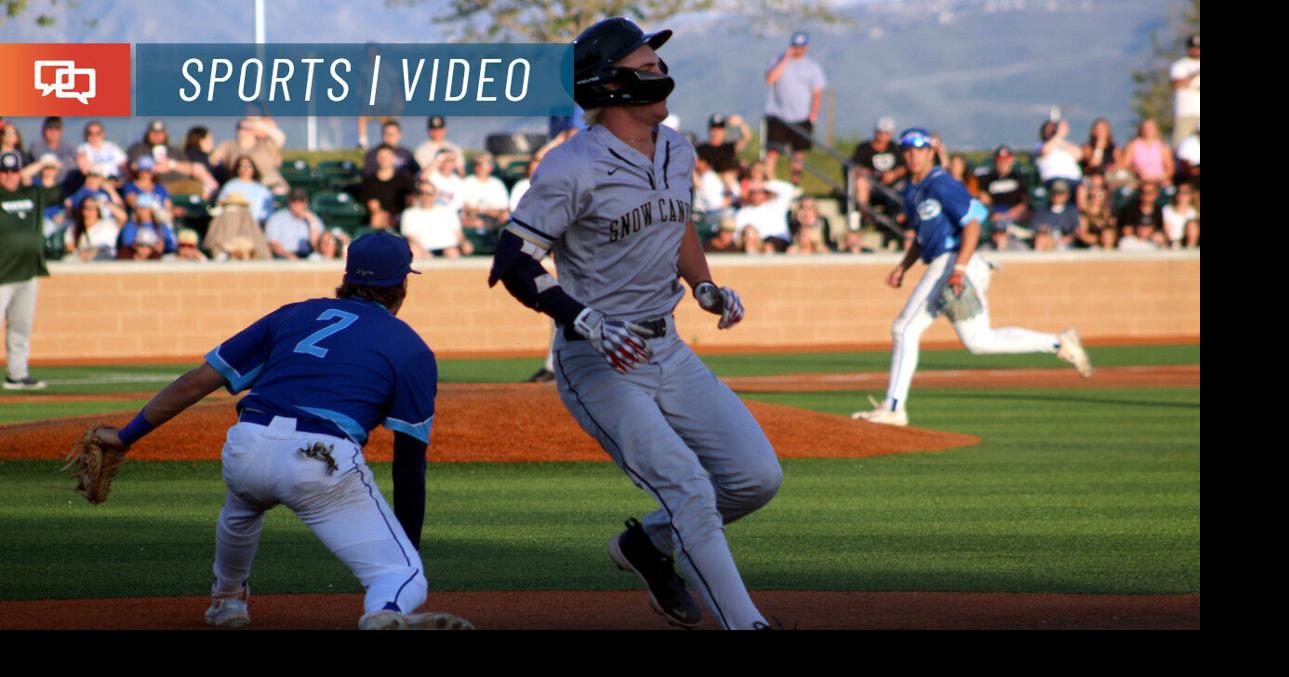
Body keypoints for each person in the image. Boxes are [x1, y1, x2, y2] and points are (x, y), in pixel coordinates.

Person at [488, 17, 781, 630]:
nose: (661, 75)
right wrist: (583, 319)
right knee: (692, 492)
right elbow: (511, 262)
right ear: (609, 85)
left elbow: (677, 222)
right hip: (600, 360)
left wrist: (702, 284)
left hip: (667, 347)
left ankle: (647, 547)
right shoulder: (571, 166)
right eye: (646, 68)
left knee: (755, 478)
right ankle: (746, 624)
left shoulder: (677, 147)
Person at [79, 231, 471, 631]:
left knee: (243, 505)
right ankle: (384, 613)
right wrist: (406, 552)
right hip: (321, 459)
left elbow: (196, 382)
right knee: (401, 573)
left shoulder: (293, 314)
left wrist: (126, 435)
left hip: (247, 443)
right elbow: (408, 464)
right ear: (402, 285)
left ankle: (227, 602)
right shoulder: (411, 348)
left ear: (347, 276)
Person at [850, 129, 1092, 427]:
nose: (914, 154)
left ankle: (894, 407)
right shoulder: (913, 190)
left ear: (931, 151)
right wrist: (903, 267)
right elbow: (921, 237)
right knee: (979, 341)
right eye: (908, 150)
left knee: (903, 329)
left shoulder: (942, 184)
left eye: (920, 148)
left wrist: (960, 268)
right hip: (949, 261)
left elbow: (973, 225)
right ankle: (1058, 343)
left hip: (954, 260)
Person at [0, 150, 50, 390]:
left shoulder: (32, 194)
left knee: (21, 326)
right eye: (4, 171)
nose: (9, 176)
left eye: (14, 171)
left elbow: (54, 188)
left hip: (27, 273)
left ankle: (17, 375)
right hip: (1, 275)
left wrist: (41, 164)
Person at [763, 30, 826, 181]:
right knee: (772, 152)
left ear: (807, 47)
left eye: (801, 46)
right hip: (778, 115)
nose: (798, 49)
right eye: (795, 46)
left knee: (798, 154)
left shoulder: (812, 67)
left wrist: (813, 114)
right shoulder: (778, 60)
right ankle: (769, 182)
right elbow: (770, 79)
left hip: (802, 116)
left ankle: (795, 184)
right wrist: (786, 58)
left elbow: (817, 93)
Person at [210, 118, 288, 194]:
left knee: (278, 191)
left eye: (248, 129)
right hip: (241, 186)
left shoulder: (265, 144)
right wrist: (215, 160)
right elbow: (213, 158)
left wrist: (263, 127)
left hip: (269, 185)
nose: (243, 132)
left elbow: (280, 138)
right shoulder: (228, 146)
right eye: (241, 128)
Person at [850, 117, 907, 217]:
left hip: (893, 185)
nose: (883, 136)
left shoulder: (895, 148)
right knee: (861, 182)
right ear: (875, 132)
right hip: (872, 185)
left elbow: (905, 166)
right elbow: (853, 166)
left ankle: (899, 217)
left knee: (906, 186)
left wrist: (893, 174)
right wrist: (867, 172)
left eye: (887, 133)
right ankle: (865, 217)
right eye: (881, 132)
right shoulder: (864, 148)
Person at [400, 181, 473, 259]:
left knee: (452, 252)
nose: (425, 196)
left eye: (429, 193)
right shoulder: (409, 213)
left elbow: (457, 233)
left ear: (435, 195)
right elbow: (410, 237)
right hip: (422, 249)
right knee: (413, 250)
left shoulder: (448, 211)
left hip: (447, 247)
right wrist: (424, 252)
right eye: (421, 193)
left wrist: (464, 242)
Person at [977, 145, 1030, 239]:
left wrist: (1011, 214)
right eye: (1000, 160)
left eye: (1006, 160)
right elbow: (983, 199)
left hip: (1013, 216)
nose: (1003, 163)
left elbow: (1025, 201)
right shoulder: (986, 179)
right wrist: (993, 213)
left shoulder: (1019, 178)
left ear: (1011, 160)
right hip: (994, 215)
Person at [361, 145, 417, 229]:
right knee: (377, 217)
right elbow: (374, 207)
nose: (384, 159)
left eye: (387, 156)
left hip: (403, 216)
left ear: (393, 158)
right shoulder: (370, 182)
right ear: (376, 158)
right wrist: (389, 219)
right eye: (381, 157)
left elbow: (411, 201)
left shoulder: (405, 180)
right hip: (382, 218)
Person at [264, 188, 324, 260]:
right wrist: (288, 255)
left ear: (306, 202)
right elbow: (272, 244)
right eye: (294, 201)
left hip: (308, 258)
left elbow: (317, 247)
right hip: (284, 257)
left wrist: (312, 222)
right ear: (289, 202)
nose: (297, 204)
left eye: (301, 201)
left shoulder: (314, 219)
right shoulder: (276, 219)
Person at [216, 156, 275, 224]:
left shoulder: (262, 189)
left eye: (249, 166)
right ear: (237, 169)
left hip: (256, 225)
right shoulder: (230, 186)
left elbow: (267, 213)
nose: (246, 169)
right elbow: (220, 205)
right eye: (242, 166)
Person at [1029, 179, 1082, 251]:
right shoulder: (1041, 211)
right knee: (1041, 240)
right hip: (1047, 244)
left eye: (1060, 194)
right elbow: (1034, 231)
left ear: (1067, 195)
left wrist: (1066, 239)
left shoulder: (1071, 211)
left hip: (1067, 245)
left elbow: (1077, 231)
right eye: (1054, 193)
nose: (1057, 196)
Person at [27, 117, 79, 188]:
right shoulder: (36, 146)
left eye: (57, 129)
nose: (53, 132)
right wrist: (62, 163)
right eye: (50, 128)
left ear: (61, 131)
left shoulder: (69, 146)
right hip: (41, 186)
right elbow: (48, 162)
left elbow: (77, 163)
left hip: (66, 186)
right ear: (44, 130)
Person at [1122, 119, 1174, 186]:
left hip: (1159, 179)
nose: (1148, 130)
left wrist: (1162, 177)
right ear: (1141, 129)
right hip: (1138, 178)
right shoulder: (1133, 145)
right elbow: (1125, 164)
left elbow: (1170, 167)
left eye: (1151, 128)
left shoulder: (1163, 146)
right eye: (1146, 128)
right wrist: (1137, 171)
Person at [1170, 34, 1200, 147]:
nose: (1196, 51)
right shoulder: (1180, 65)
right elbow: (1177, 83)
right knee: (1180, 144)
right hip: (1184, 112)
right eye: (1194, 48)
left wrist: (1189, 84)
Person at [1162, 182, 1199, 249]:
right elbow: (1167, 229)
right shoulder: (1168, 209)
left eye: (1185, 193)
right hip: (1173, 243)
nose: (1181, 195)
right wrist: (1173, 243)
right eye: (1179, 192)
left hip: (1190, 243)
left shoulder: (1195, 212)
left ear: (1191, 195)